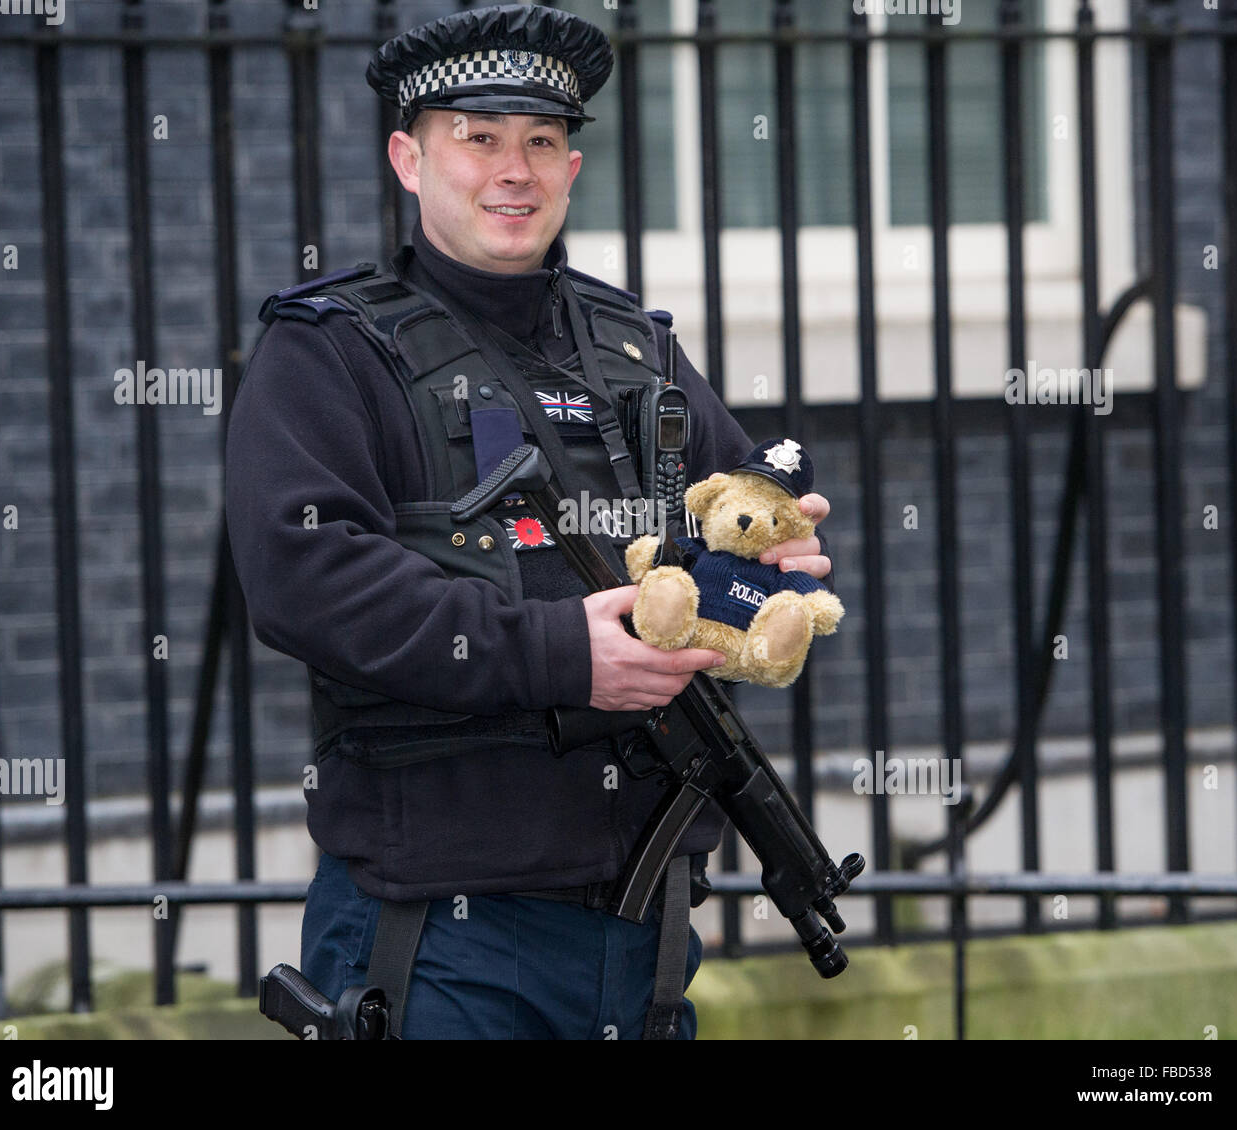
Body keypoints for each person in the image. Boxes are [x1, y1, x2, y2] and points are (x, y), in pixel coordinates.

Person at [225, 3, 836, 1040]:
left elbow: (736, 510)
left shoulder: (631, 346)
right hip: (443, 941)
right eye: (478, 137)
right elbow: (304, 576)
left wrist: (770, 562)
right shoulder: (330, 350)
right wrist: (560, 651)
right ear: (408, 160)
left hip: (645, 936)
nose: (514, 168)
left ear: (572, 169)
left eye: (542, 141)